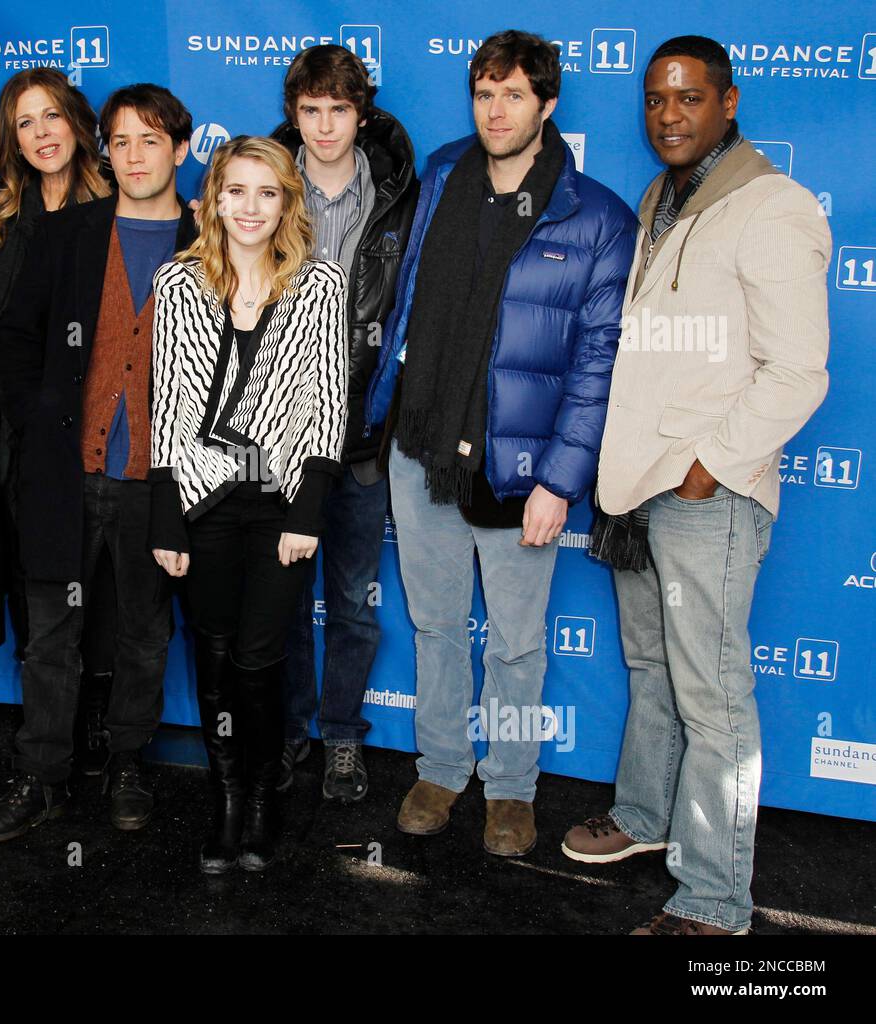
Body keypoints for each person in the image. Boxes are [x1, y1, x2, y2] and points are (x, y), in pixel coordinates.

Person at [562, 37, 831, 935]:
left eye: (686, 98)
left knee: (712, 699)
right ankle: (644, 818)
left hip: (703, 496)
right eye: (654, 100)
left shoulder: (773, 208)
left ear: (729, 101)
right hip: (638, 487)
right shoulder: (664, 200)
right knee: (652, 671)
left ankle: (715, 900)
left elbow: (798, 372)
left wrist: (707, 469)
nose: (667, 114)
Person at [364, 30, 634, 856]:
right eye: (485, 92)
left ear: (548, 105)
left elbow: (597, 366)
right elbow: (406, 302)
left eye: (515, 94)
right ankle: (442, 766)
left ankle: (511, 787)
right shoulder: (444, 174)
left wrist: (560, 480)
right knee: (437, 625)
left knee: (516, 642)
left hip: (523, 468)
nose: (497, 109)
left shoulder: (598, 219)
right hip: (421, 447)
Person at [0, 84, 197, 842]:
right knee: (52, 635)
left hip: (159, 485)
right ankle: (41, 777)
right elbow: (10, 340)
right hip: (66, 474)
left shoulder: (210, 241)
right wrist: (41, 426)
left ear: (182, 149)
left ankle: (128, 761)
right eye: (121, 142)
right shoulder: (66, 234)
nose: (134, 156)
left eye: (151, 141)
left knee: (143, 633)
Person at [150, 135, 348, 872]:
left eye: (267, 192)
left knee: (262, 658)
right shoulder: (178, 283)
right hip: (203, 501)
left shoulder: (318, 284)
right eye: (236, 190)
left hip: (279, 500)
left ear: (287, 201)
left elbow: (328, 399)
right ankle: (227, 796)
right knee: (217, 655)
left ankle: (263, 796)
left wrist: (308, 510)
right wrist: (167, 514)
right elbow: (166, 401)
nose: (250, 207)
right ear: (214, 199)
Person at [0, 68, 119, 775]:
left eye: (52, 116)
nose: (42, 133)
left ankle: (103, 733)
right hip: (17, 438)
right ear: (10, 139)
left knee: (103, 587)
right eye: (25, 122)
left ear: (78, 123)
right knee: (33, 581)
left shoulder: (120, 210)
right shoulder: (4, 222)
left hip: (96, 443)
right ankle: (48, 734)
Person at [270, 44, 419, 802]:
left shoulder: (400, 192)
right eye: (310, 110)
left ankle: (341, 739)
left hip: (362, 438)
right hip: (280, 440)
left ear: (361, 112)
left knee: (355, 601)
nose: (325, 126)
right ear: (294, 113)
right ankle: (293, 729)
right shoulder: (260, 186)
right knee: (287, 601)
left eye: (339, 109)